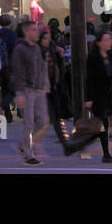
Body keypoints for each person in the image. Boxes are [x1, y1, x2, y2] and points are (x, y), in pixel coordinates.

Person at [9, 22, 50, 166]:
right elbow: (17, 72)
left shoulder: (37, 48)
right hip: (27, 90)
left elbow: (41, 68)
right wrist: (19, 93)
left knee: (43, 121)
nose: (37, 32)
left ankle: (23, 144)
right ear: (26, 32)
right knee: (29, 123)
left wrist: (44, 85)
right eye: (33, 30)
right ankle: (28, 154)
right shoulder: (20, 49)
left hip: (39, 90)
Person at [81, 30, 112, 163]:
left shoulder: (110, 56)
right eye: (106, 40)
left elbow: (111, 74)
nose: (109, 43)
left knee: (100, 125)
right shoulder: (93, 58)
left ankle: (79, 144)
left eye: (110, 40)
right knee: (103, 123)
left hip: (106, 94)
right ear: (99, 43)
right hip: (96, 95)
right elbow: (89, 80)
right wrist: (88, 98)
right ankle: (106, 154)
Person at [40, 25, 74, 156]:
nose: (47, 40)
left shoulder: (51, 49)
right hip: (41, 89)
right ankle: (28, 144)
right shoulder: (37, 52)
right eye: (45, 38)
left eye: (48, 38)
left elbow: (57, 68)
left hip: (52, 87)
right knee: (46, 120)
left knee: (56, 117)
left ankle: (65, 144)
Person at [0, 14, 18, 121]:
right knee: (13, 88)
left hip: (0, 64)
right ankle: (4, 104)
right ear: (9, 23)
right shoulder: (12, 34)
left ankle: (7, 113)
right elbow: (14, 49)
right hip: (11, 64)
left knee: (4, 88)